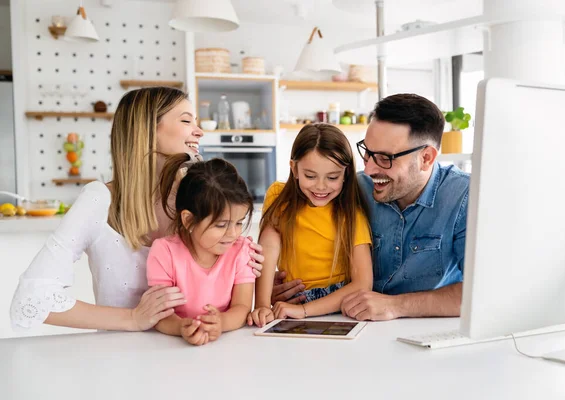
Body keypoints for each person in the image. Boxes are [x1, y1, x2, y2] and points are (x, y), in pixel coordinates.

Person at [10, 87, 263, 333]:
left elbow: (228, 284)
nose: (199, 132)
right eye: (187, 121)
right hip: (122, 360)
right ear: (148, 131)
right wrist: (133, 318)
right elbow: (30, 300)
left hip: (194, 354)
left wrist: (254, 269)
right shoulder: (99, 200)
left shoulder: (196, 196)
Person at [272, 94, 470, 321]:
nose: (369, 170)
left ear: (426, 157)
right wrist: (281, 284)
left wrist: (396, 306)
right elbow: (306, 236)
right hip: (351, 323)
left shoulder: (464, 196)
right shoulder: (353, 189)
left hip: (428, 334)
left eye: (385, 158)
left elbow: (481, 293)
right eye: (367, 152)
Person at [248, 124, 373, 327]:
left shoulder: (350, 213)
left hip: (337, 304)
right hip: (289, 303)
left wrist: (303, 311)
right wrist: (261, 305)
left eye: (332, 177)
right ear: (294, 169)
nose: (321, 186)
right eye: (310, 176)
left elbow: (363, 283)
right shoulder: (278, 196)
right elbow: (268, 250)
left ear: (346, 174)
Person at [147, 155, 255, 345]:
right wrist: (181, 327)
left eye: (239, 223)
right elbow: (160, 313)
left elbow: (242, 307)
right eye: (221, 225)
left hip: (228, 346)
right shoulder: (164, 252)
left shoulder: (242, 251)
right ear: (188, 220)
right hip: (168, 348)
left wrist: (221, 322)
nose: (233, 234)